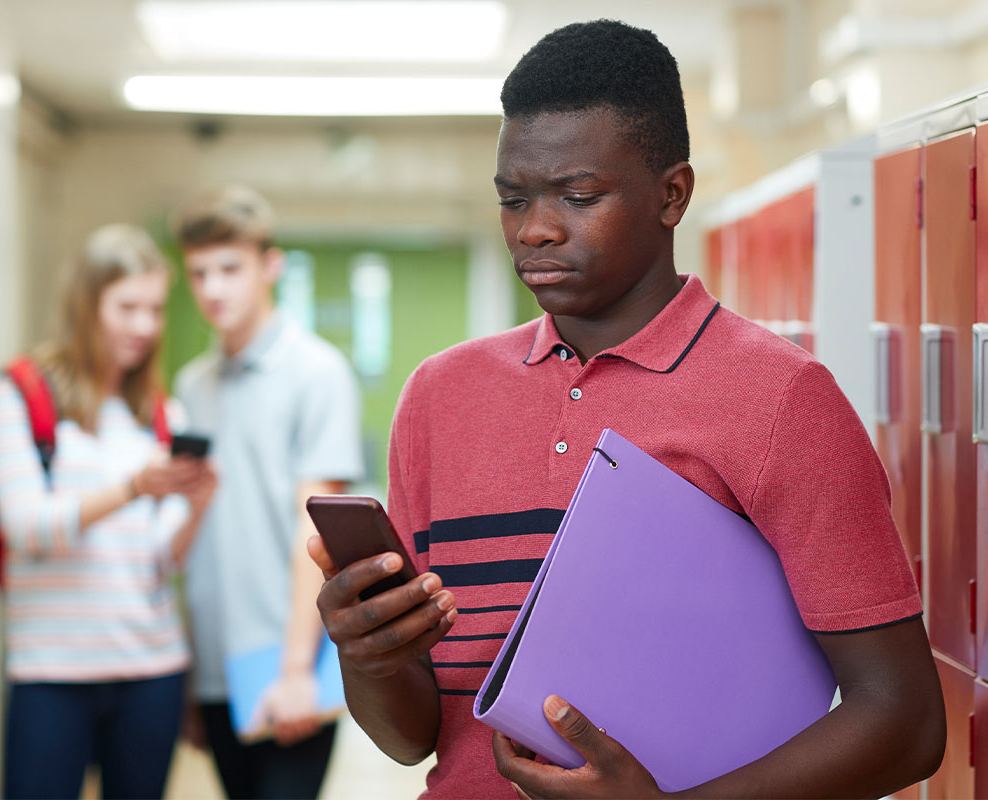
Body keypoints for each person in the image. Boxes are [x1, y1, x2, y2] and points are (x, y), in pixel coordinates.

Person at [307, 19, 947, 800]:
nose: (535, 229)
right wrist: (367, 655)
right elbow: (411, 739)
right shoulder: (440, 396)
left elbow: (906, 720)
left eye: (579, 197)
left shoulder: (782, 399)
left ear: (672, 195)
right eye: (513, 199)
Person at [0, 223, 217, 800]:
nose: (145, 326)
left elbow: (160, 560)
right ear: (87, 305)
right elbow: (25, 526)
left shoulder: (161, 413)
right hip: (51, 672)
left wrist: (196, 506)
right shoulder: (22, 393)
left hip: (152, 671)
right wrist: (135, 486)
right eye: (127, 307)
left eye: (156, 309)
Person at [173, 185, 364, 800]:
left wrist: (293, 674)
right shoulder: (193, 384)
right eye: (199, 272)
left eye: (230, 268)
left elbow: (315, 534)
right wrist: (192, 682)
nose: (213, 289)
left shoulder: (317, 373)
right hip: (215, 670)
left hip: (287, 663)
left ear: (270, 267)